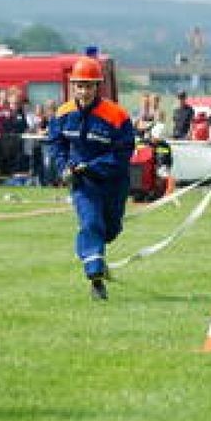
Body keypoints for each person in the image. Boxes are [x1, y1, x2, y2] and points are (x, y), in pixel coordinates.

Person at [48, 57, 135, 301]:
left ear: (98, 86)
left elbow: (123, 153)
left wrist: (93, 166)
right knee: (91, 223)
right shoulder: (63, 114)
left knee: (110, 230)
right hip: (83, 183)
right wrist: (64, 167)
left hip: (113, 182)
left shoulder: (117, 115)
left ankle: (93, 253)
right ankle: (95, 276)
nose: (84, 92)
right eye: (79, 86)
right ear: (72, 86)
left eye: (89, 86)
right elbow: (56, 144)